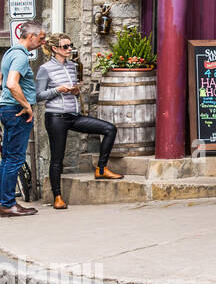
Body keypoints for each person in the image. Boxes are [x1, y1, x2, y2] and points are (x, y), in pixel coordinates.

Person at [36, 34, 124, 210]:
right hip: (56, 117)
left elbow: (75, 92)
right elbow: (38, 96)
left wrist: (76, 91)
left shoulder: (72, 66)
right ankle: (57, 197)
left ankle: (101, 169)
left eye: (70, 45)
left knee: (109, 129)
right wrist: (57, 90)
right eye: (65, 47)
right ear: (55, 49)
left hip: (73, 116)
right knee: (57, 158)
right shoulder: (45, 69)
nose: (69, 49)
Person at [1, 22, 47, 217]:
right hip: (17, 111)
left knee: (7, 159)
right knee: (15, 158)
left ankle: (4, 201)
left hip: (7, 108)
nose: (43, 42)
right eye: (41, 38)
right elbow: (11, 83)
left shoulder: (10, 53)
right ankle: (7, 204)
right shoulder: (20, 55)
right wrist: (27, 106)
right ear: (32, 37)